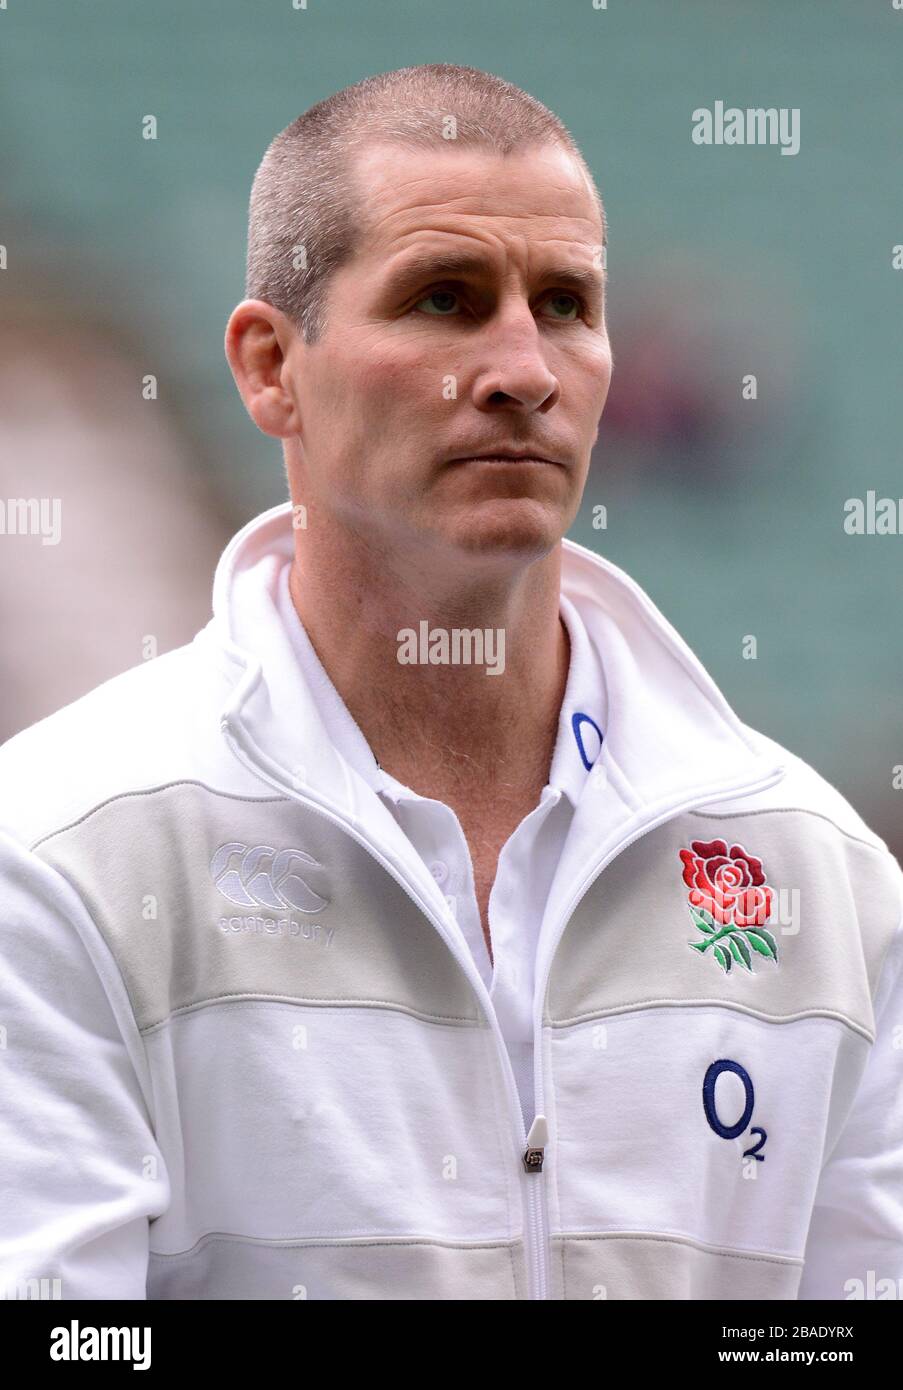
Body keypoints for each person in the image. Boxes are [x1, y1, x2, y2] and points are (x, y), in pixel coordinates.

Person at [1, 63, 900, 1303]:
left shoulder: (822, 879)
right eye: (445, 298)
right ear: (271, 367)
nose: (524, 368)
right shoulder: (60, 853)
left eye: (567, 305)